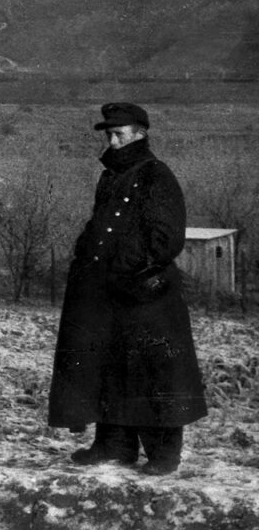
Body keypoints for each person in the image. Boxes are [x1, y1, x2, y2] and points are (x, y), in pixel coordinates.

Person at [48, 102, 206, 475]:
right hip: (106, 293)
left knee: (153, 372)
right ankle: (114, 446)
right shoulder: (111, 176)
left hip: (143, 293)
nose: (112, 140)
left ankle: (164, 456)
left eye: (119, 133)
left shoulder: (156, 175)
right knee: (109, 366)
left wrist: (131, 269)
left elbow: (166, 238)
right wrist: (84, 256)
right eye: (109, 134)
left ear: (140, 134)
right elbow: (100, 225)